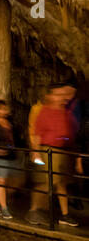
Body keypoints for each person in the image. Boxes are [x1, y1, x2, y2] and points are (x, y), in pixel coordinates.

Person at [32, 82, 80, 227]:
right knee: (48, 183)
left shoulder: (64, 112)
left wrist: (75, 156)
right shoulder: (44, 111)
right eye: (58, 94)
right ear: (50, 96)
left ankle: (64, 215)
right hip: (48, 151)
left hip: (62, 151)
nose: (62, 97)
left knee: (61, 184)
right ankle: (34, 210)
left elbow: (71, 133)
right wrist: (36, 153)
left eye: (62, 95)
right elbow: (37, 134)